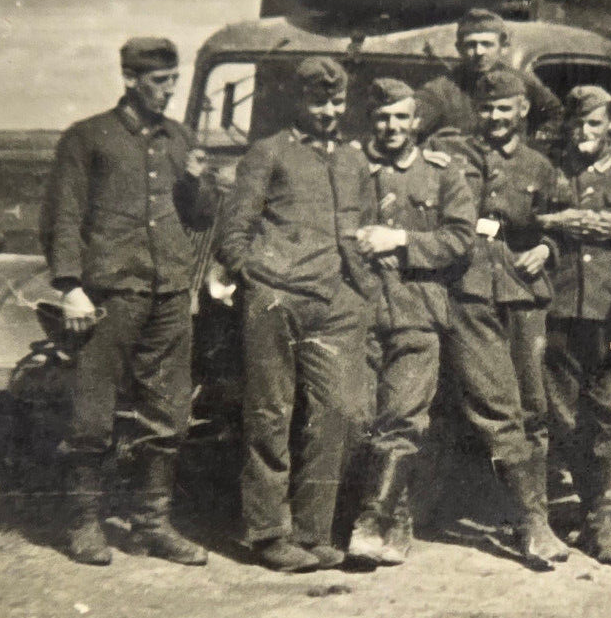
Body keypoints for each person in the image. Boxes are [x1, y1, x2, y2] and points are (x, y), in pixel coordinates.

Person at [40, 36, 217, 567]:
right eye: (159, 82)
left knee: (167, 413)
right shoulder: (88, 138)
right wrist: (69, 285)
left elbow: (203, 216)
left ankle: (153, 525)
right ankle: (84, 524)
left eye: (173, 80)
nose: (168, 90)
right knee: (92, 413)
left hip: (168, 296)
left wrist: (196, 182)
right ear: (131, 79)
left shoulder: (181, 138)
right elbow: (62, 217)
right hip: (108, 296)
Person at [214, 56, 377, 572]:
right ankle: (267, 534)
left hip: (336, 303)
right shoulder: (269, 153)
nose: (328, 111)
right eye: (317, 101)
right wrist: (256, 277)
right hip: (276, 297)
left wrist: (360, 293)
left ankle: (312, 532)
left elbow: (365, 229)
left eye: (336, 101)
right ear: (298, 102)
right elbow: (234, 227)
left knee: (341, 414)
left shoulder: (354, 160)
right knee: (270, 413)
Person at [443, 66, 573, 568]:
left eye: (505, 108)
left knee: (534, 408)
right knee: (498, 406)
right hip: (471, 290)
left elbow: (564, 222)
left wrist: (546, 246)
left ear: (522, 111)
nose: (495, 117)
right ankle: (531, 523)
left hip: (522, 291)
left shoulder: (540, 167)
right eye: (487, 108)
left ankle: (535, 516)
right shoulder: (455, 159)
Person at [346, 78, 476, 567]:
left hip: (416, 313)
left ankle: (369, 521)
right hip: (358, 311)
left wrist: (400, 240)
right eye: (383, 117)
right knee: (359, 418)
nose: (392, 126)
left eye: (401, 117)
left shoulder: (443, 173)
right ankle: (396, 518)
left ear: (416, 121)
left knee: (402, 419)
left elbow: (462, 239)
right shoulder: (351, 168)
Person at [541, 85, 611, 565]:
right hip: (558, 308)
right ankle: (584, 511)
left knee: (609, 411)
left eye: (594, 124)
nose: (585, 133)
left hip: (610, 312)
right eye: (577, 124)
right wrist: (560, 221)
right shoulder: (552, 169)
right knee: (562, 414)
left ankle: (606, 523)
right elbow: (521, 216)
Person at [413, 9, 561, 144]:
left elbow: (557, 114)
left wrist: (533, 147)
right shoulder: (440, 90)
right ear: (459, 48)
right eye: (471, 45)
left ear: (503, 47)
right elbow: (410, 127)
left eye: (487, 44)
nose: (479, 51)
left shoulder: (522, 81)